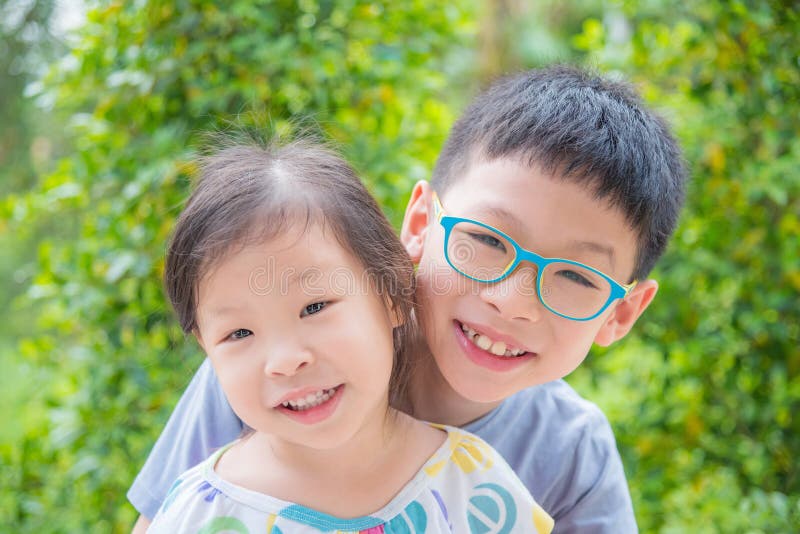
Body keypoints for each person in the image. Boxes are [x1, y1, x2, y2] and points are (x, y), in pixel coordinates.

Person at [131, 65, 687, 533]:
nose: (512, 302)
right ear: (421, 223)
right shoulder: (275, 366)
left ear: (620, 313)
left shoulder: (570, 454)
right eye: (488, 240)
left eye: (576, 276)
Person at [144, 137, 554, 533]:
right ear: (206, 348)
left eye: (315, 308)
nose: (286, 359)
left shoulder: (475, 486)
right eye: (239, 333)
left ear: (391, 293)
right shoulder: (198, 515)